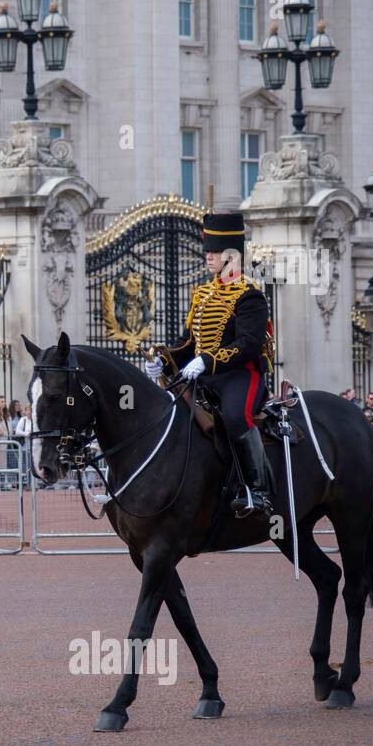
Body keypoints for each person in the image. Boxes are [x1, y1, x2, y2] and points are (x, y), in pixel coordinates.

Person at [151, 210, 274, 518]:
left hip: (240, 376)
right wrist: (163, 360)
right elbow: (186, 343)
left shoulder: (250, 295)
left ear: (231, 255)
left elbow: (248, 345)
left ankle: (258, 491)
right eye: (207, 250)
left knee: (235, 416)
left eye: (214, 251)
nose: (208, 256)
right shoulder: (202, 294)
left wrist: (207, 360)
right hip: (205, 378)